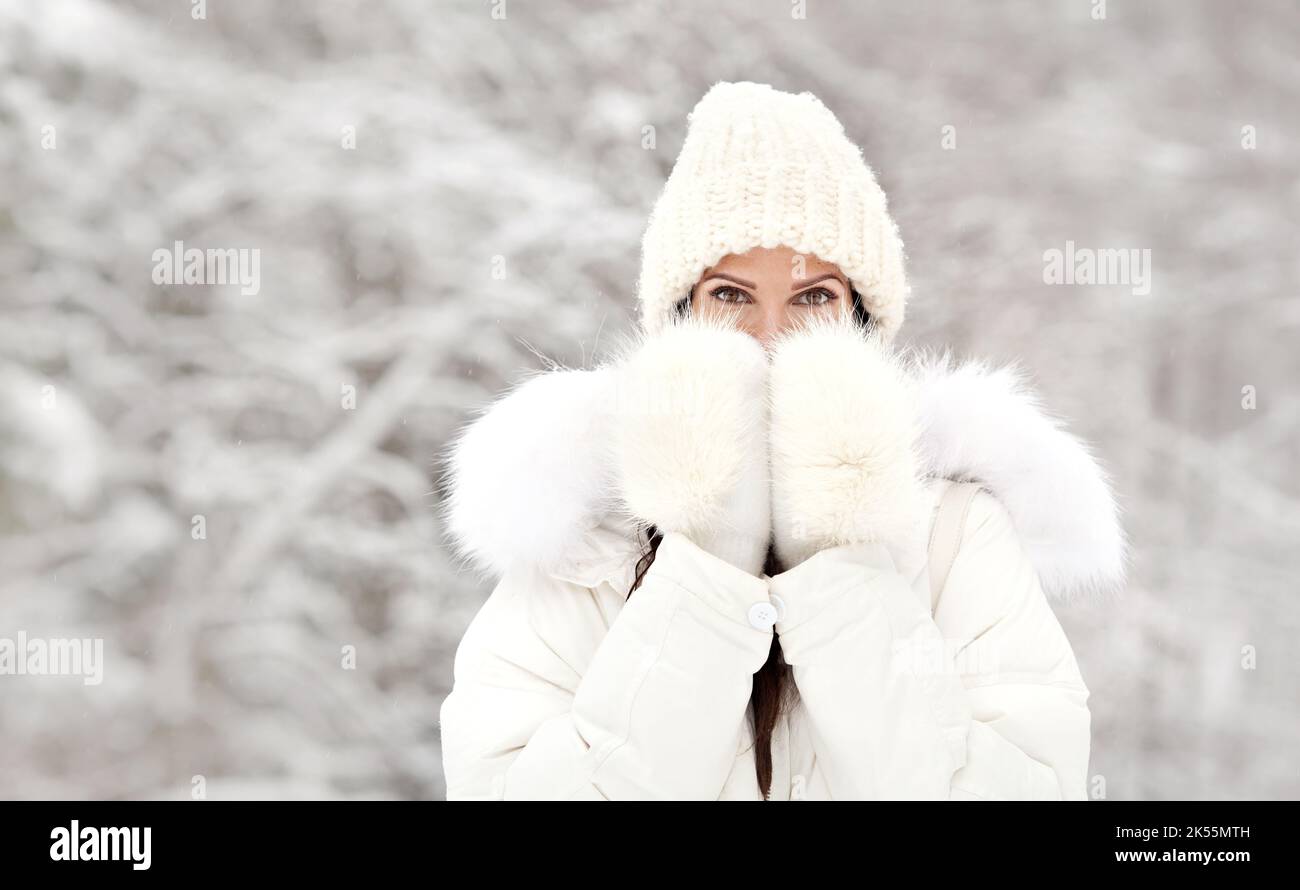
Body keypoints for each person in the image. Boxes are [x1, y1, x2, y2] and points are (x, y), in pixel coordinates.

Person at [438, 81, 1126, 800]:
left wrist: (836, 559)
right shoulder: (583, 539)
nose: (771, 336)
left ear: (862, 323)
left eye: (813, 298)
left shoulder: (956, 534)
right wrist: (711, 556)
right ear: (678, 319)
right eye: (731, 297)